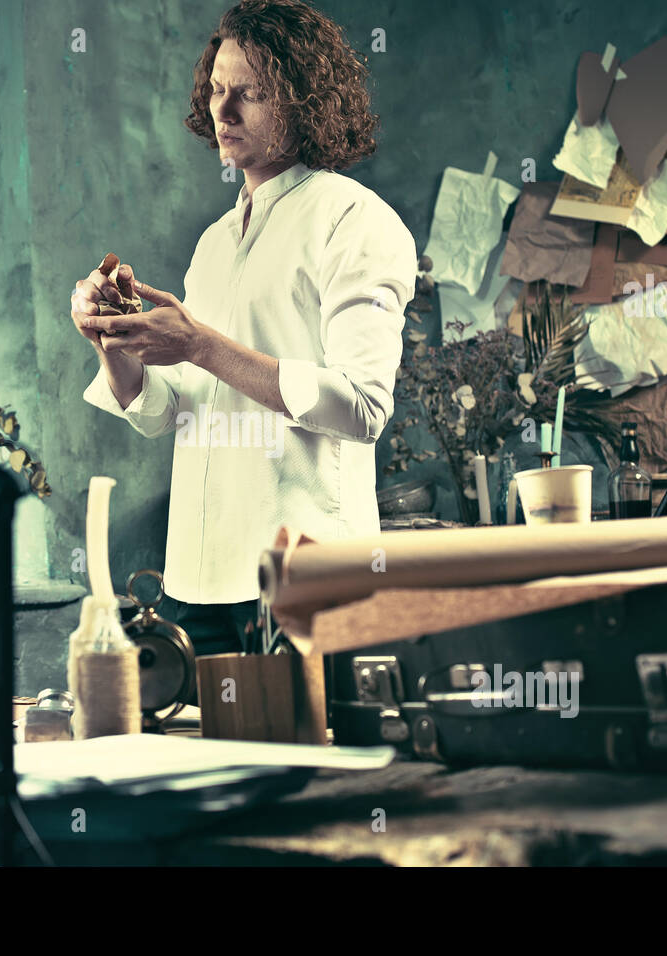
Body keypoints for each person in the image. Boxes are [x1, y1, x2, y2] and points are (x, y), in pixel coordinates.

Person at [72, 0, 415, 657]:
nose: (223, 112)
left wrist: (199, 343)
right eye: (216, 90)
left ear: (305, 101)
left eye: (249, 94)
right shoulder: (214, 243)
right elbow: (168, 413)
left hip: (305, 576)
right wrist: (114, 342)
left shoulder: (355, 220)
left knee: (310, 732)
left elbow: (363, 407)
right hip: (195, 582)